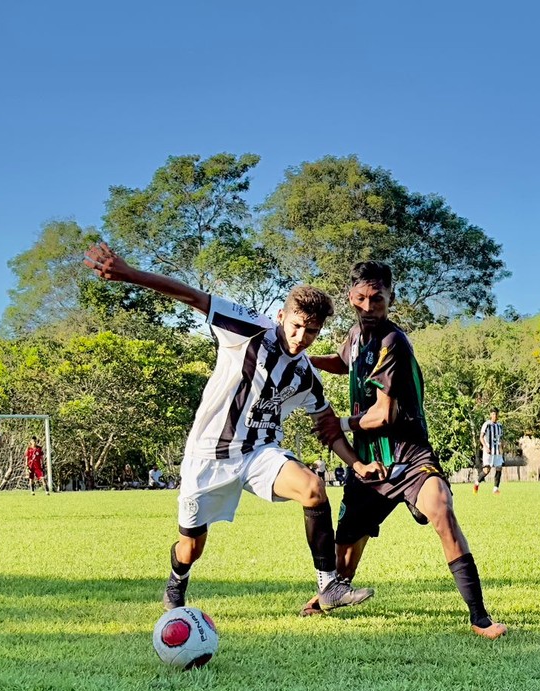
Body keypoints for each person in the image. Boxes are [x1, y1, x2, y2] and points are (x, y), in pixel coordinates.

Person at [83, 242, 388, 612]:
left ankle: (329, 587)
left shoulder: (305, 374)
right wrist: (130, 274)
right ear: (281, 316)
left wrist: (357, 465)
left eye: (310, 332)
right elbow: (191, 296)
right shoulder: (248, 328)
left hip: (259, 454)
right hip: (208, 454)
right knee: (191, 547)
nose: (300, 338)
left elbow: (327, 425)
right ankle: (176, 581)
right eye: (295, 326)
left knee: (312, 487)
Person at [308, 261, 507, 639]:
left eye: (378, 299)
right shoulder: (353, 337)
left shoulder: (392, 342)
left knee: (442, 512)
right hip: (369, 466)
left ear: (390, 298)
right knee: (344, 550)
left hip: (411, 458)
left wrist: (342, 425)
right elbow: (342, 362)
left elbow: (384, 415)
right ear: (351, 296)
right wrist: (303, 360)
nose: (369, 307)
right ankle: (326, 597)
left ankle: (480, 618)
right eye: (362, 298)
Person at [476, 408, 503, 495]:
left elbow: (500, 438)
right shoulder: (486, 424)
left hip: (497, 452)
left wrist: (501, 448)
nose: (495, 416)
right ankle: (476, 483)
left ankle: (495, 489)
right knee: (487, 470)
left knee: (499, 468)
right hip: (488, 451)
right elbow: (481, 437)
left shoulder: (499, 425)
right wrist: (485, 446)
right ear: (491, 415)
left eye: (496, 414)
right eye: (493, 414)